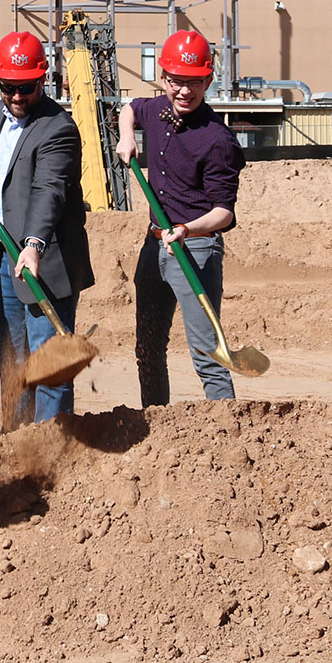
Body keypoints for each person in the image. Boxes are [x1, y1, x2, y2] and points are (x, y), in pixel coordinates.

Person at [116, 29, 245, 407]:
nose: (184, 91)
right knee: (148, 347)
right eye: (176, 82)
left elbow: (224, 212)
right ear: (163, 78)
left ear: (208, 80)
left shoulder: (218, 140)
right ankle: (155, 422)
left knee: (208, 354)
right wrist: (128, 137)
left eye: (194, 83)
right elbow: (129, 109)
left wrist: (188, 228)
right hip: (153, 244)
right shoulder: (156, 111)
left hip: (197, 247)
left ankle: (225, 430)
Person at [0, 32, 94, 424]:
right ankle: (17, 442)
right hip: (7, 259)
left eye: (27, 88)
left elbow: (49, 191)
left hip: (46, 261)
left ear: (42, 80)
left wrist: (34, 245)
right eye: (9, 88)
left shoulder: (58, 128)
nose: (18, 97)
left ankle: (52, 447)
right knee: (13, 357)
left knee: (48, 365)